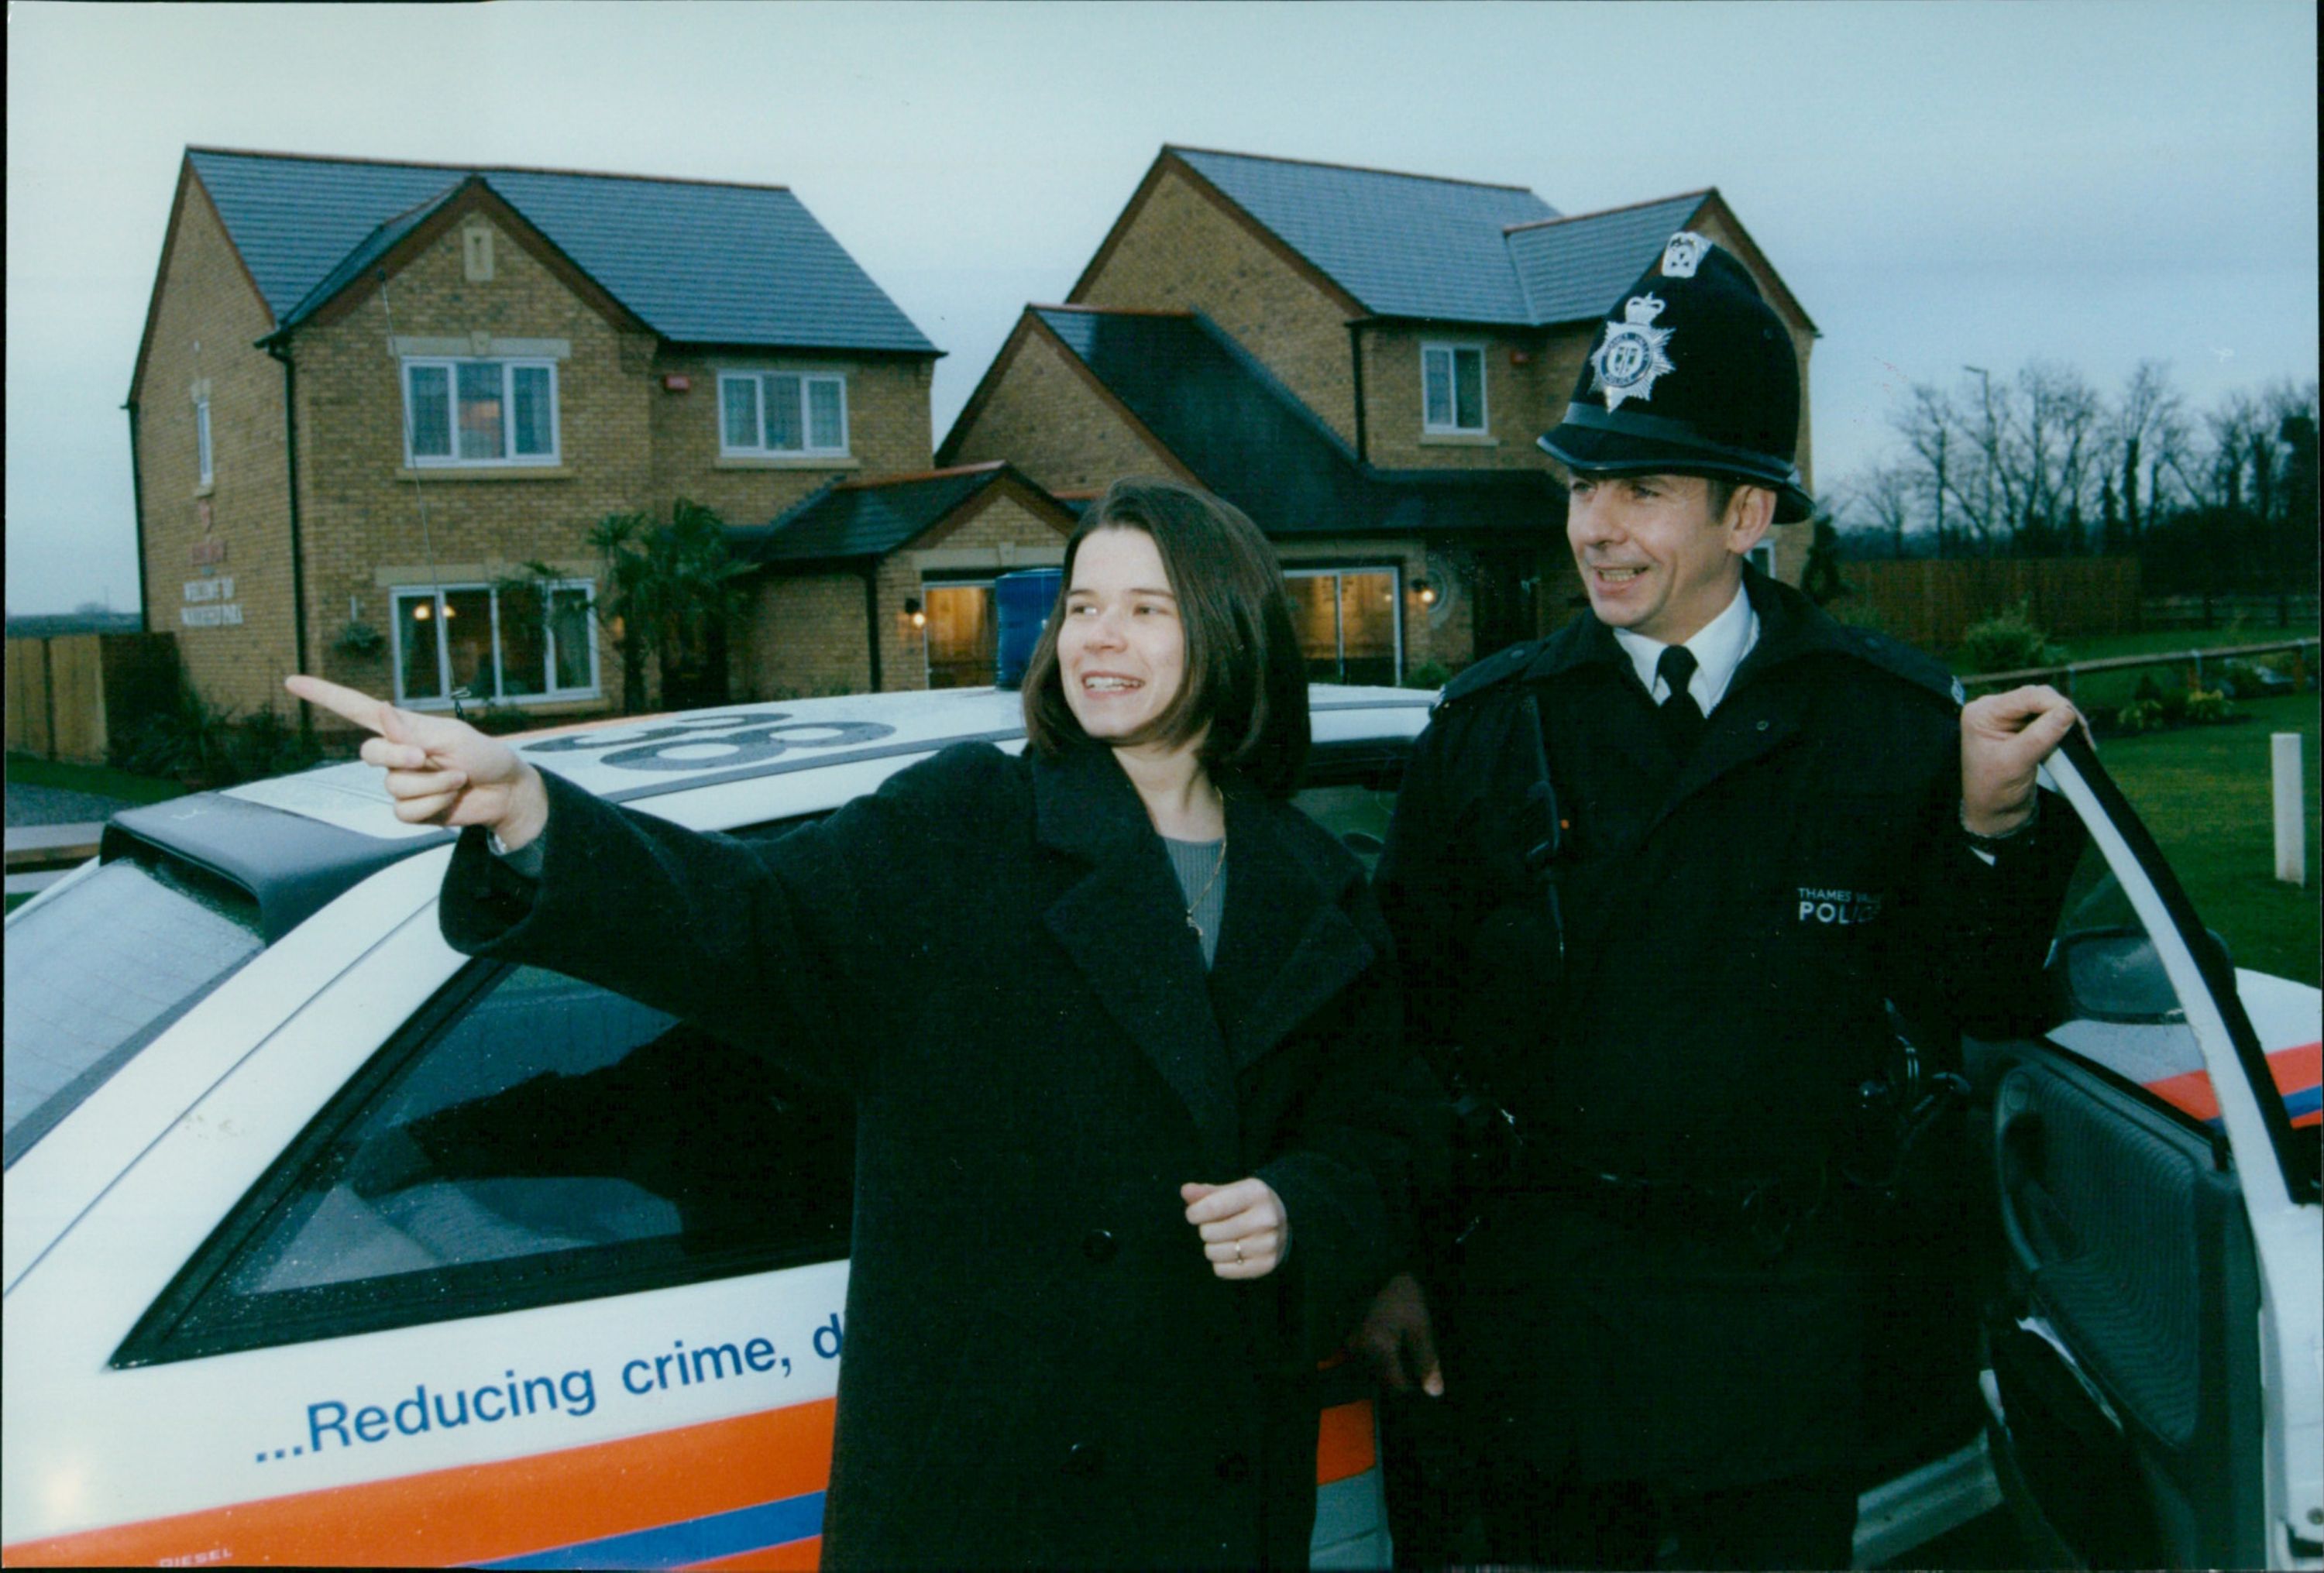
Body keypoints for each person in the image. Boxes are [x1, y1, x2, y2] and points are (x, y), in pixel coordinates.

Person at [287, 478, 1431, 1571]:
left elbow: (1382, 1130)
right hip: (995, 1480)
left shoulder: (1310, 879)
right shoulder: (966, 824)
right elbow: (750, 920)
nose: (1099, 640)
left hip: (1215, 1475)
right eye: (1083, 606)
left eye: (1146, 611)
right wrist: (533, 811)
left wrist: (1300, 1210)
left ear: (1229, 631)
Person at [1356, 233, 2085, 1569]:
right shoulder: (1484, 730)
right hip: (1539, 1339)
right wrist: (1388, 1262)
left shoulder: (1886, 727)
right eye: (1582, 486)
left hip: (1777, 1342)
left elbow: (1971, 1000)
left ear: (1747, 516)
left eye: (1642, 489)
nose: (1594, 528)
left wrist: (1990, 828)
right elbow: (1395, 1029)